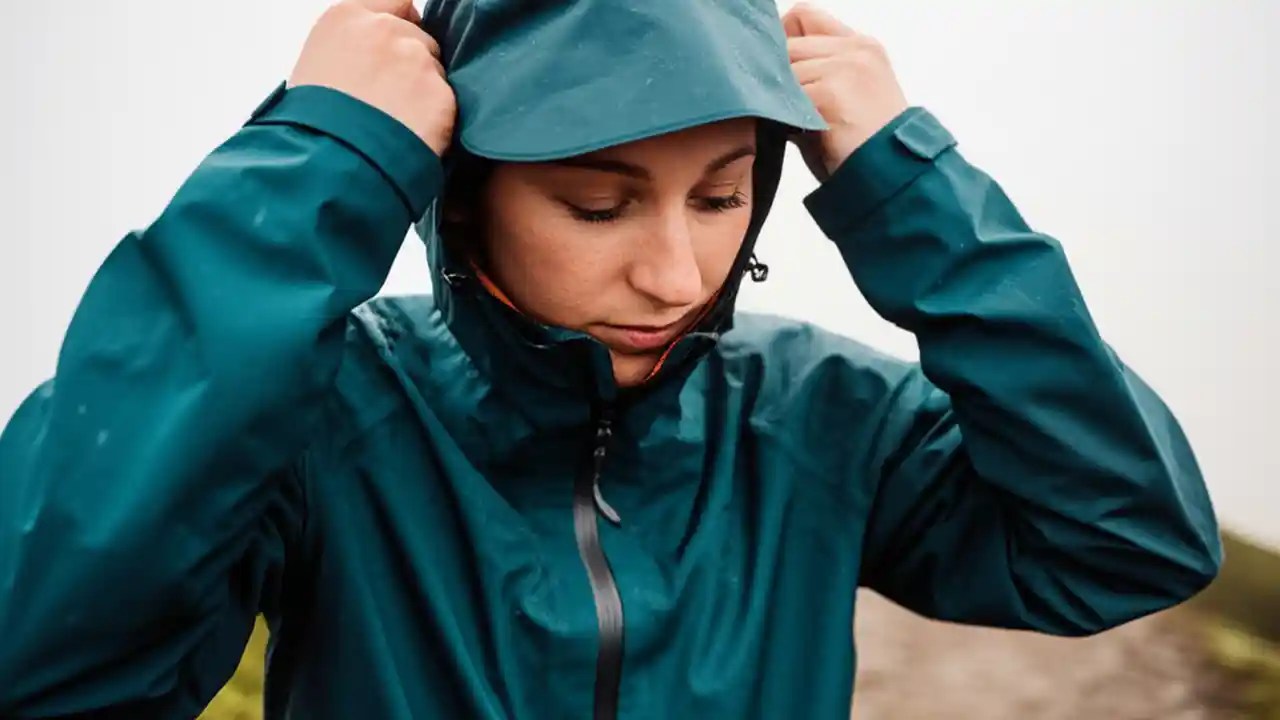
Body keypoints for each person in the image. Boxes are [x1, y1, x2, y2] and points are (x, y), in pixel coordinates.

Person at [0, 0, 1221, 717]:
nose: (678, 278)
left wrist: (911, 189)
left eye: (721, 195)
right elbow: (51, 660)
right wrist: (321, 158)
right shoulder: (330, 412)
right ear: (462, 195)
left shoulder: (823, 412)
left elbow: (1123, 545)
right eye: (597, 206)